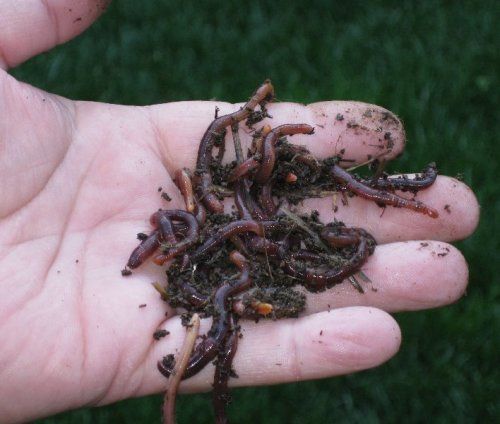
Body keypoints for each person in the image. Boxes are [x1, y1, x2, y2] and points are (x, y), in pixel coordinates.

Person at [0, 1, 479, 422]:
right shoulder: (212, 240)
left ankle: (398, 194)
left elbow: (249, 226)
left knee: (287, 222)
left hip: (238, 235)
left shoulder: (245, 227)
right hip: (223, 240)